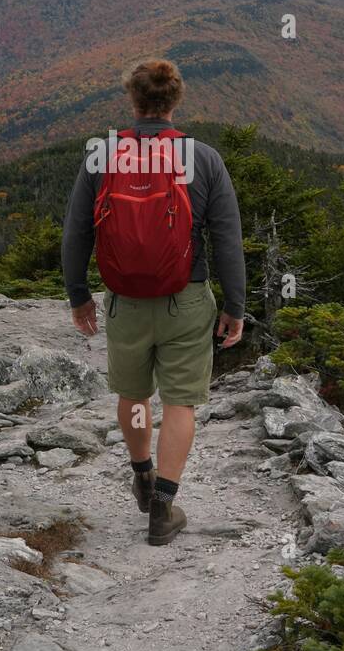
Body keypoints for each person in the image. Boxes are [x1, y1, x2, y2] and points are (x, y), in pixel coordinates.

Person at [61, 59, 246, 545]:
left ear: (132, 100)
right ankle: (162, 508)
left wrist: (79, 295)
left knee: (134, 395)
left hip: (125, 300)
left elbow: (77, 231)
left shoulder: (102, 157)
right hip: (186, 298)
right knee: (181, 402)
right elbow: (227, 238)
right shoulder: (202, 158)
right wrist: (235, 307)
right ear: (175, 102)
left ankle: (142, 475)